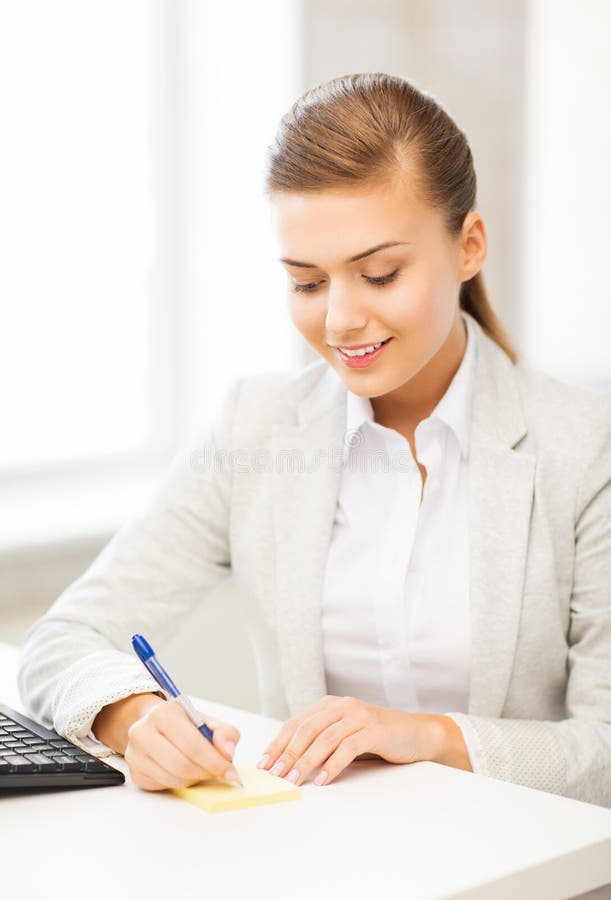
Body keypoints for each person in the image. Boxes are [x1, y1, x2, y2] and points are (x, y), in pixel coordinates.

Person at [18, 72, 611, 805]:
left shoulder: (584, 448)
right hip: (311, 851)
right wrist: (134, 716)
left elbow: (602, 747)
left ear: (469, 246)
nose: (338, 321)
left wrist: (428, 736)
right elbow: (63, 639)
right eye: (306, 282)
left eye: (380, 274)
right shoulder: (256, 428)